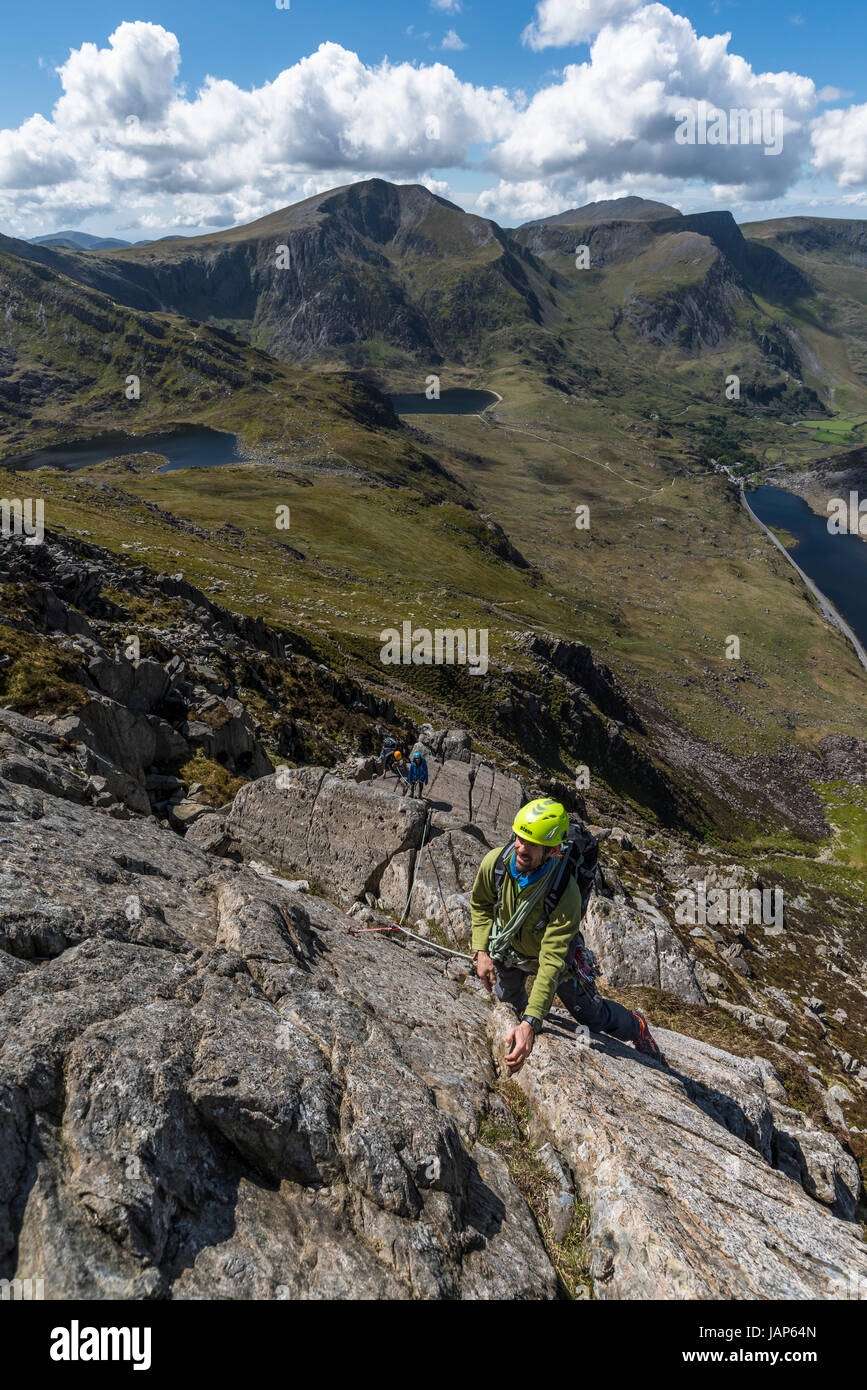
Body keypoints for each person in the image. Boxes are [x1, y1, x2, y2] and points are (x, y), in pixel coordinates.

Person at [470, 797, 666, 1073]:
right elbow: (480, 903)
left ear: (553, 851)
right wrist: (482, 951)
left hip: (557, 962)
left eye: (531, 844)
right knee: (510, 1006)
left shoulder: (566, 893)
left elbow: (552, 960)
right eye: (519, 838)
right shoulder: (496, 864)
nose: (520, 848)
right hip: (509, 952)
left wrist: (531, 1023)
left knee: (593, 1018)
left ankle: (636, 1025)